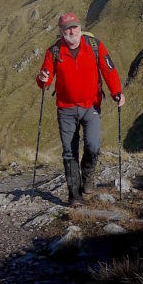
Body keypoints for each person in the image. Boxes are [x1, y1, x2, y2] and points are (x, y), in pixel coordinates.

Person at [36, 12, 125, 205]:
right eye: (67, 28)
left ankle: (88, 178)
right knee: (69, 152)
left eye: (75, 27)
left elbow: (109, 71)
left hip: (91, 105)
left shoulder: (95, 46)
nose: (72, 31)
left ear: (80, 27)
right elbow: (46, 78)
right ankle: (74, 196)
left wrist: (117, 92)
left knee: (93, 146)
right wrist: (42, 79)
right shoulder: (54, 52)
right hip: (66, 109)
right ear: (61, 32)